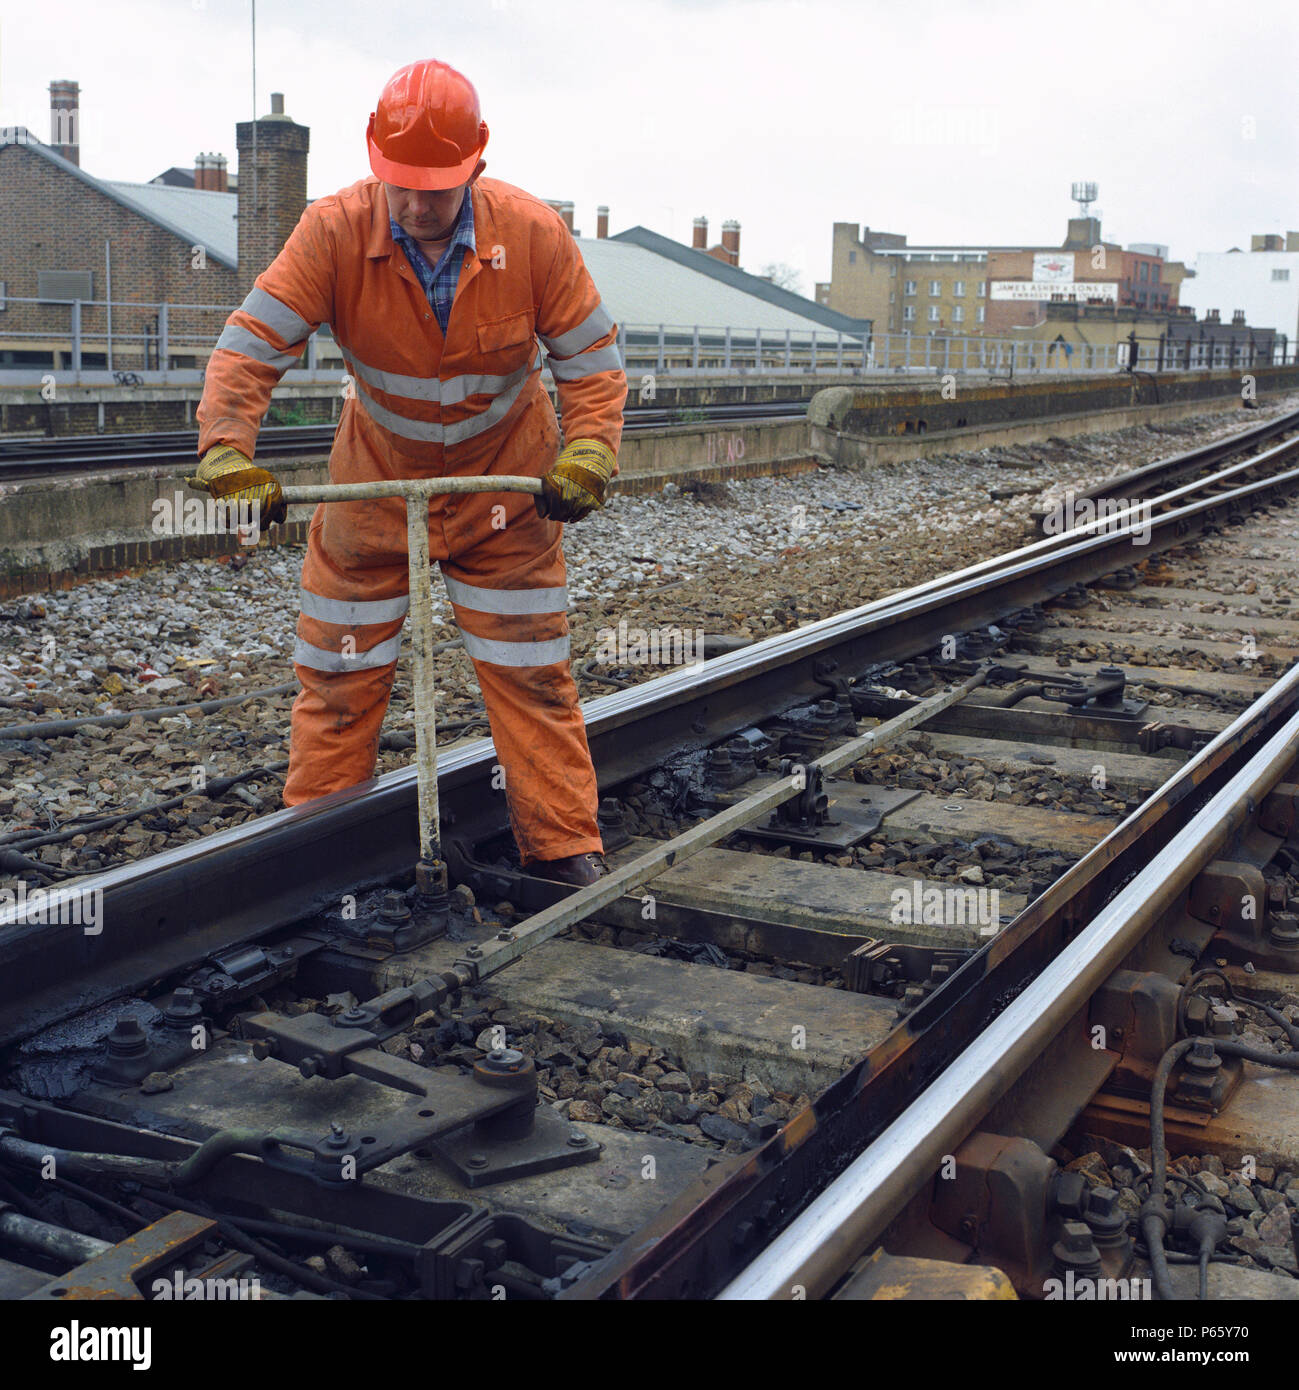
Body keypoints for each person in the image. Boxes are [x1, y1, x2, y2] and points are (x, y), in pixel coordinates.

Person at [190, 59, 626, 886]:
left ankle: (563, 845)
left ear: (477, 165)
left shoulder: (532, 236)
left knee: (532, 674)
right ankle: (320, 861)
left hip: (505, 494)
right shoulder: (333, 232)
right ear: (373, 163)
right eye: (402, 186)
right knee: (339, 675)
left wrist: (589, 449)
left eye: (438, 188)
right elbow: (250, 346)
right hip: (375, 491)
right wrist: (225, 449)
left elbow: (593, 363)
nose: (419, 207)